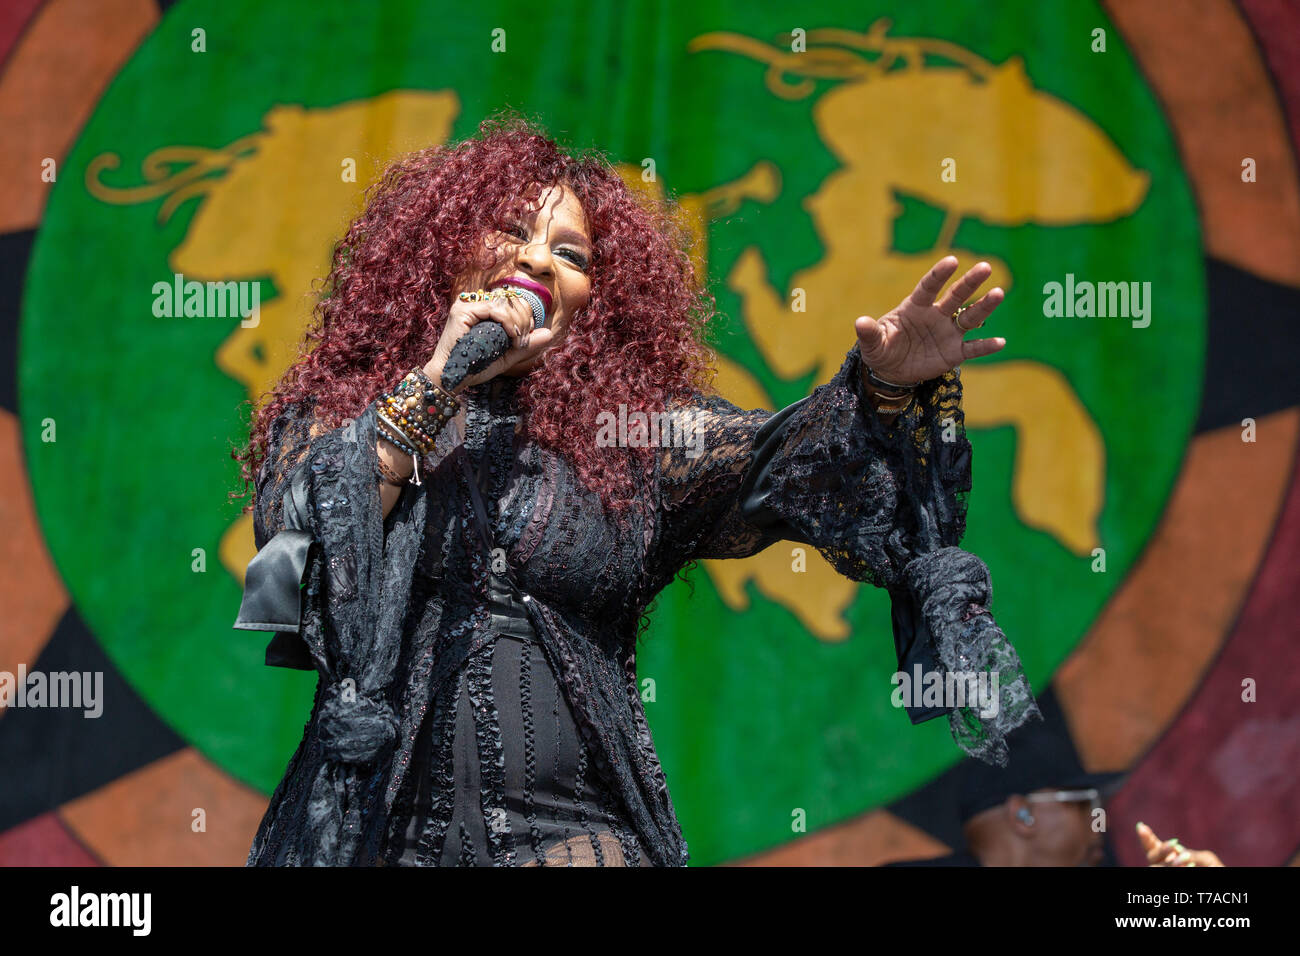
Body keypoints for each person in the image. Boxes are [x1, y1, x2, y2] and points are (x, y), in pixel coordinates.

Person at [230, 110, 1037, 867]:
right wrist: (439, 385)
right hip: (375, 829)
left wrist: (882, 389)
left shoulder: (632, 442)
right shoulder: (335, 418)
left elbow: (783, 459)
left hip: (575, 835)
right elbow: (296, 546)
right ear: (441, 249)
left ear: (595, 302)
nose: (539, 260)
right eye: (513, 231)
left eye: (572, 254)